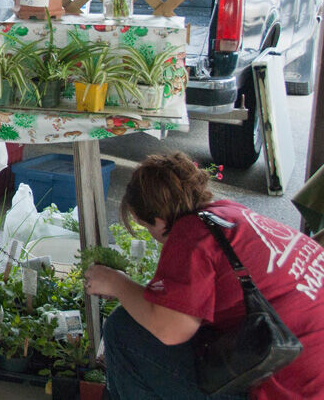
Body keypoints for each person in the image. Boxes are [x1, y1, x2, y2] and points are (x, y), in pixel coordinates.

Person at [85, 152, 324, 399]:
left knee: (123, 330)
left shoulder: (191, 234)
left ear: (157, 219)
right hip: (303, 368)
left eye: (147, 229)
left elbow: (170, 330)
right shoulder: (230, 214)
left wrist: (118, 283)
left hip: (291, 389)